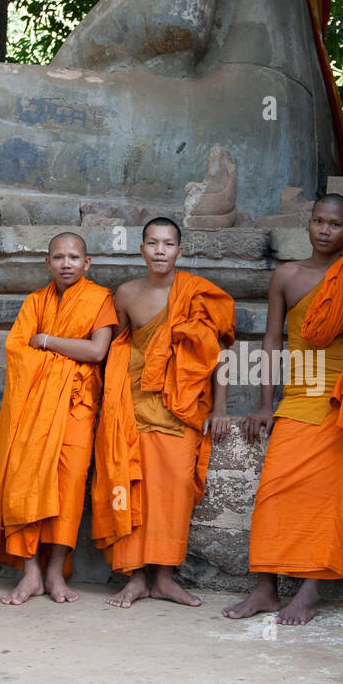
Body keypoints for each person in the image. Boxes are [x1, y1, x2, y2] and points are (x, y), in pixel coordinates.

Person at [223, 194, 343, 625]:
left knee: (332, 499)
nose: (325, 231)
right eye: (318, 222)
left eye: (335, 224)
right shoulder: (286, 276)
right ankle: (265, 587)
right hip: (298, 397)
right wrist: (265, 403)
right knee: (273, 491)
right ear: (308, 224)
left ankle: (309, 592)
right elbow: (271, 342)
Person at [92, 217, 235, 608]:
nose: (160, 250)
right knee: (130, 485)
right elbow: (116, 352)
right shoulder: (124, 295)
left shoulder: (197, 295)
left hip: (182, 409)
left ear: (180, 251)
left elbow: (219, 353)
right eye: (152, 243)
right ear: (141, 249)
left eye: (168, 244)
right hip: (132, 407)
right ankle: (136, 577)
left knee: (174, 491)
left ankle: (166, 578)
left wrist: (220, 407)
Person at [0, 232, 117, 605]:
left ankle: (56, 573)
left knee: (68, 487)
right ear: (48, 263)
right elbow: (15, 349)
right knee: (23, 480)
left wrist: (45, 341)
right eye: (58, 257)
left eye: (74, 257)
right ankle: (30, 575)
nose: (66, 264)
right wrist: (61, 354)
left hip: (76, 408)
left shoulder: (99, 299)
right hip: (33, 409)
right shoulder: (34, 302)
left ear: (87, 263)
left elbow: (96, 351)